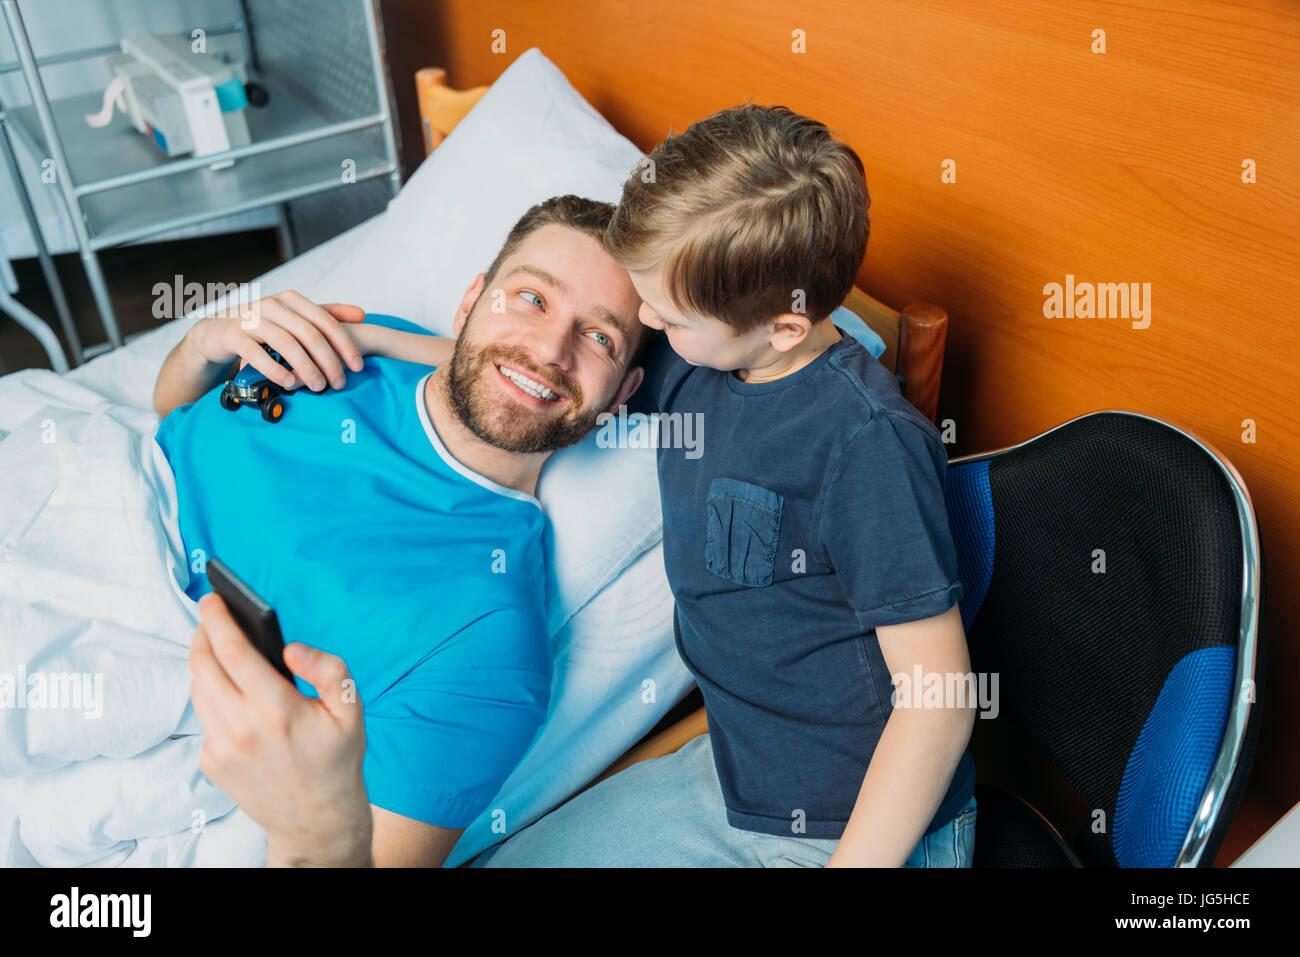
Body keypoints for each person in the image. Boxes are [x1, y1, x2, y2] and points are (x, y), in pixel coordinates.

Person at [470, 105, 979, 867]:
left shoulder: (865, 444)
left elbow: (940, 702)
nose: (643, 317)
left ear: (784, 328)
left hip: (856, 825)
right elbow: (547, 377)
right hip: (735, 777)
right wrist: (368, 337)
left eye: (667, 315)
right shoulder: (703, 362)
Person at [155, 195, 650, 867]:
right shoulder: (355, 339)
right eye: (532, 298)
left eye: (599, 337)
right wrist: (202, 341)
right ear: (471, 299)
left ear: (620, 396)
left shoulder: (487, 639)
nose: (548, 349)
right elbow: (174, 419)